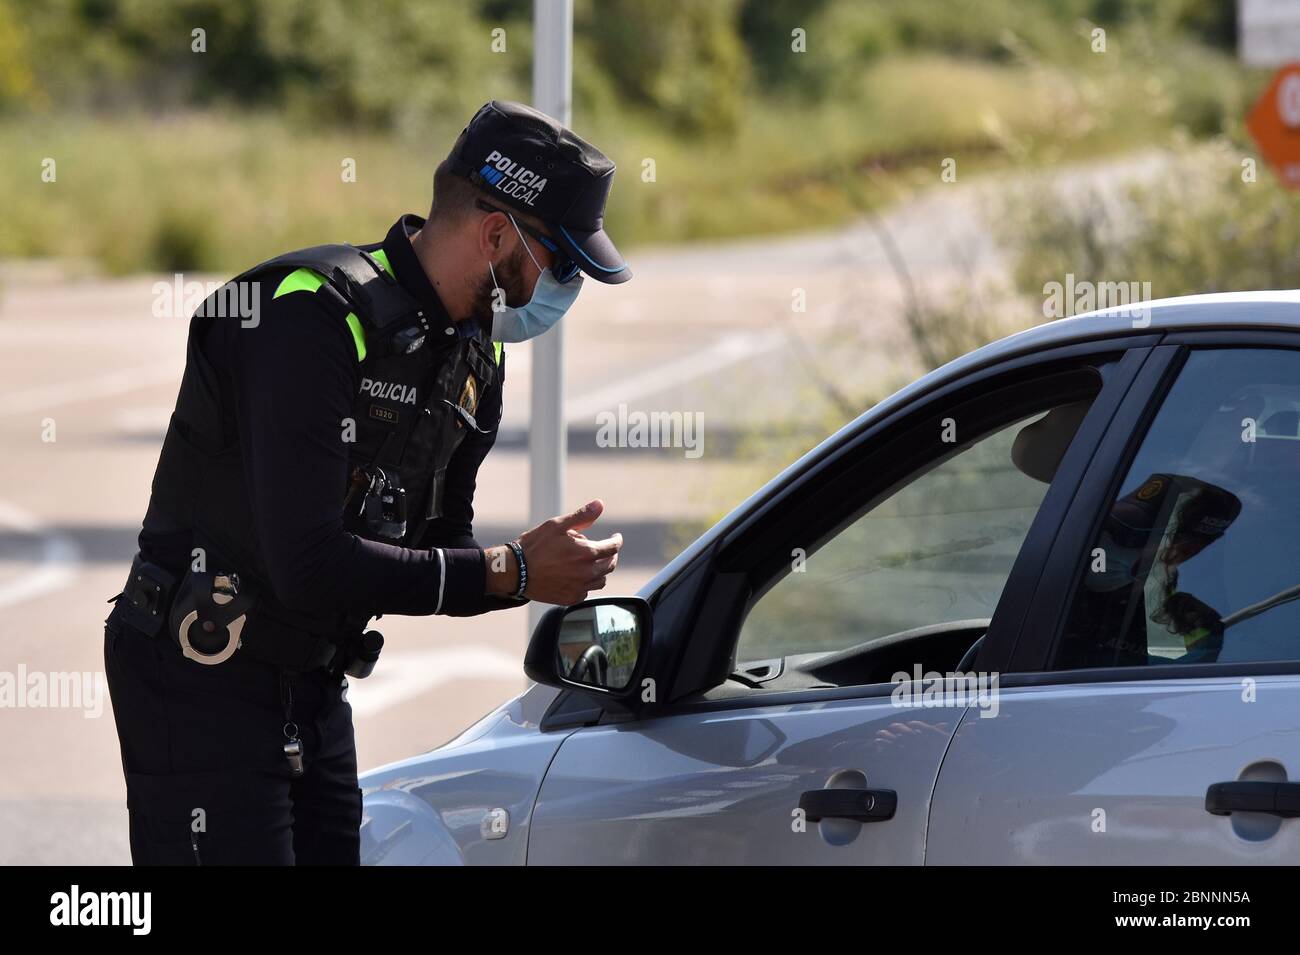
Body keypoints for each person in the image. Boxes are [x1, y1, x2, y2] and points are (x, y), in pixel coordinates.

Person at [104, 100, 630, 865]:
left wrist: (530, 565)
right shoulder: (310, 316)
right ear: (495, 234)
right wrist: (510, 570)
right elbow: (310, 561)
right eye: (564, 265)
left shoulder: (476, 353)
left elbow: (439, 542)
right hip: (200, 673)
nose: (568, 289)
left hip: (312, 680)